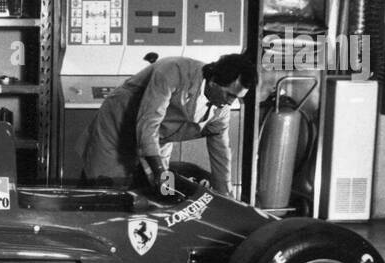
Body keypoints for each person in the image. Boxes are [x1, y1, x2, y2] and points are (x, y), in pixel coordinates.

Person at [80, 52, 257, 197]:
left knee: (162, 193)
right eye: (229, 95)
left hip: (160, 137)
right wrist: (159, 172)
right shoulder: (174, 71)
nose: (231, 103)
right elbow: (148, 123)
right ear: (213, 82)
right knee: (107, 188)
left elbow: (221, 155)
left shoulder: (221, 111)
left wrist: (226, 196)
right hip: (119, 128)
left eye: (237, 98)